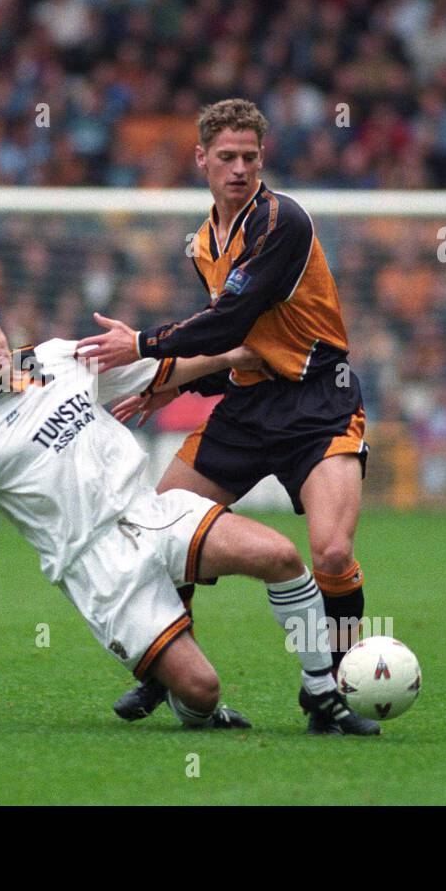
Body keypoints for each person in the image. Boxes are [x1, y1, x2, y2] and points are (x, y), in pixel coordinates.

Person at [0, 292, 378, 735]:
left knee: (280, 557)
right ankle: (183, 695)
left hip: (152, 512)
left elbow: (154, 370)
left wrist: (231, 357)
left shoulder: (51, 360)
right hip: (99, 566)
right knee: (202, 692)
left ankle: (320, 689)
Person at [77, 99, 373, 731]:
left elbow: (231, 321)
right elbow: (237, 345)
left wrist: (143, 347)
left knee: (331, 553)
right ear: (201, 160)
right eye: (226, 157)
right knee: (155, 531)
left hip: (318, 403)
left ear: (262, 159)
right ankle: (166, 675)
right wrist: (170, 386)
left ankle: (333, 690)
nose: (238, 168)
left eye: (249, 157)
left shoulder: (281, 221)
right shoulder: (203, 242)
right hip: (247, 406)